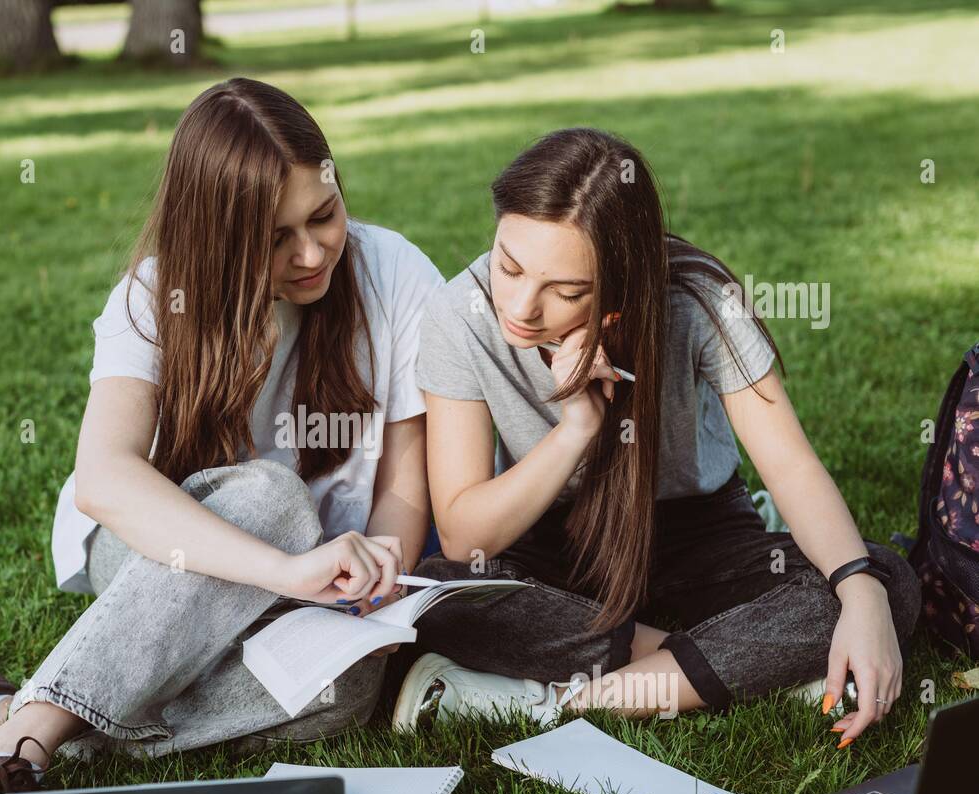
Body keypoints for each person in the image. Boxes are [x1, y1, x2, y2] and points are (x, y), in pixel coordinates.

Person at [0, 78, 444, 794]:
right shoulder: (155, 297)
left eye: (323, 215)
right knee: (271, 498)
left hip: (306, 591)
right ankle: (14, 755)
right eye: (276, 237)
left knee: (349, 691)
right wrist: (289, 569)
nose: (313, 251)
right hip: (158, 559)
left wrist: (380, 577)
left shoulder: (395, 275)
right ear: (219, 234)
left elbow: (403, 483)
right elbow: (106, 479)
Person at [391, 127, 920, 747]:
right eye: (508, 266)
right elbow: (463, 532)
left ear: (622, 288)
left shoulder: (699, 300)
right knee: (442, 596)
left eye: (565, 292)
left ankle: (578, 699)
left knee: (885, 583)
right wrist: (577, 429)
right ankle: (722, 663)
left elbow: (794, 470)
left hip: (696, 538)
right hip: (553, 550)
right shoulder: (462, 315)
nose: (522, 307)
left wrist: (858, 594)